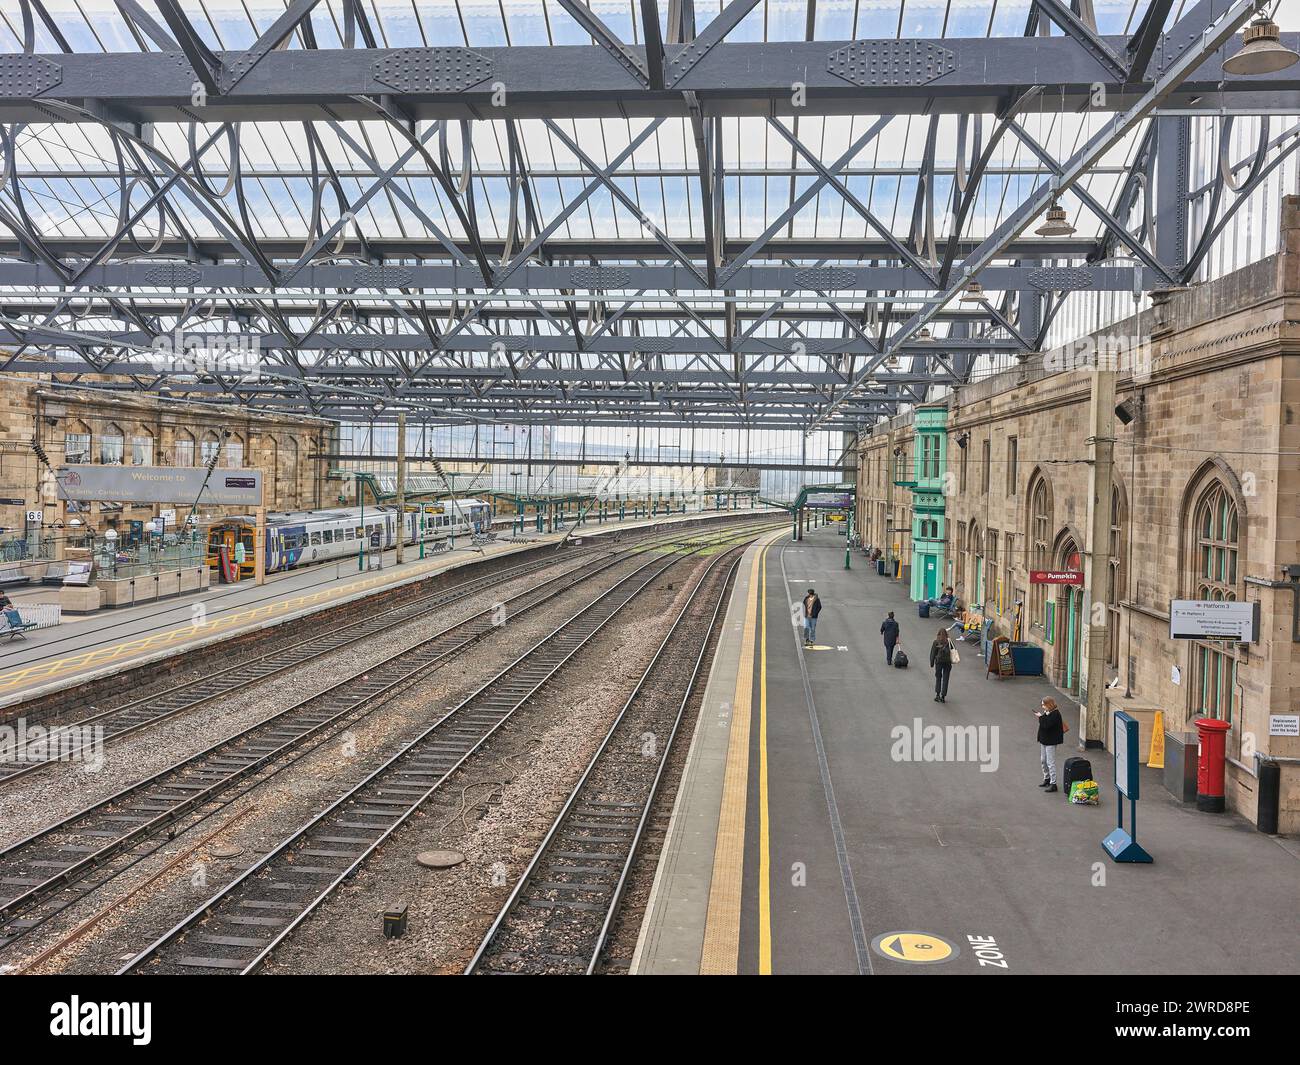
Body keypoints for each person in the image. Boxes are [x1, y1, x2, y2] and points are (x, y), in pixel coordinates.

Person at [1035, 696, 1064, 792]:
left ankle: (1053, 783)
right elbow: (1044, 724)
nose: (1042, 706)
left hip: (1051, 741)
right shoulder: (1047, 713)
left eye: (1044, 704)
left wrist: (1040, 717)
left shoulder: (1055, 714)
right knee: (1043, 760)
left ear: (1049, 704)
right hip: (1044, 740)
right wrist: (1042, 716)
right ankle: (1047, 778)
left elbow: (1046, 725)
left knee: (1050, 762)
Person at [929, 626, 954, 702]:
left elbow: (933, 653)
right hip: (947, 663)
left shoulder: (936, 642)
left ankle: (937, 695)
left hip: (939, 662)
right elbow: (953, 651)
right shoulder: (949, 641)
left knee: (938, 678)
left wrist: (932, 662)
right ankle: (943, 696)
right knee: (946, 679)